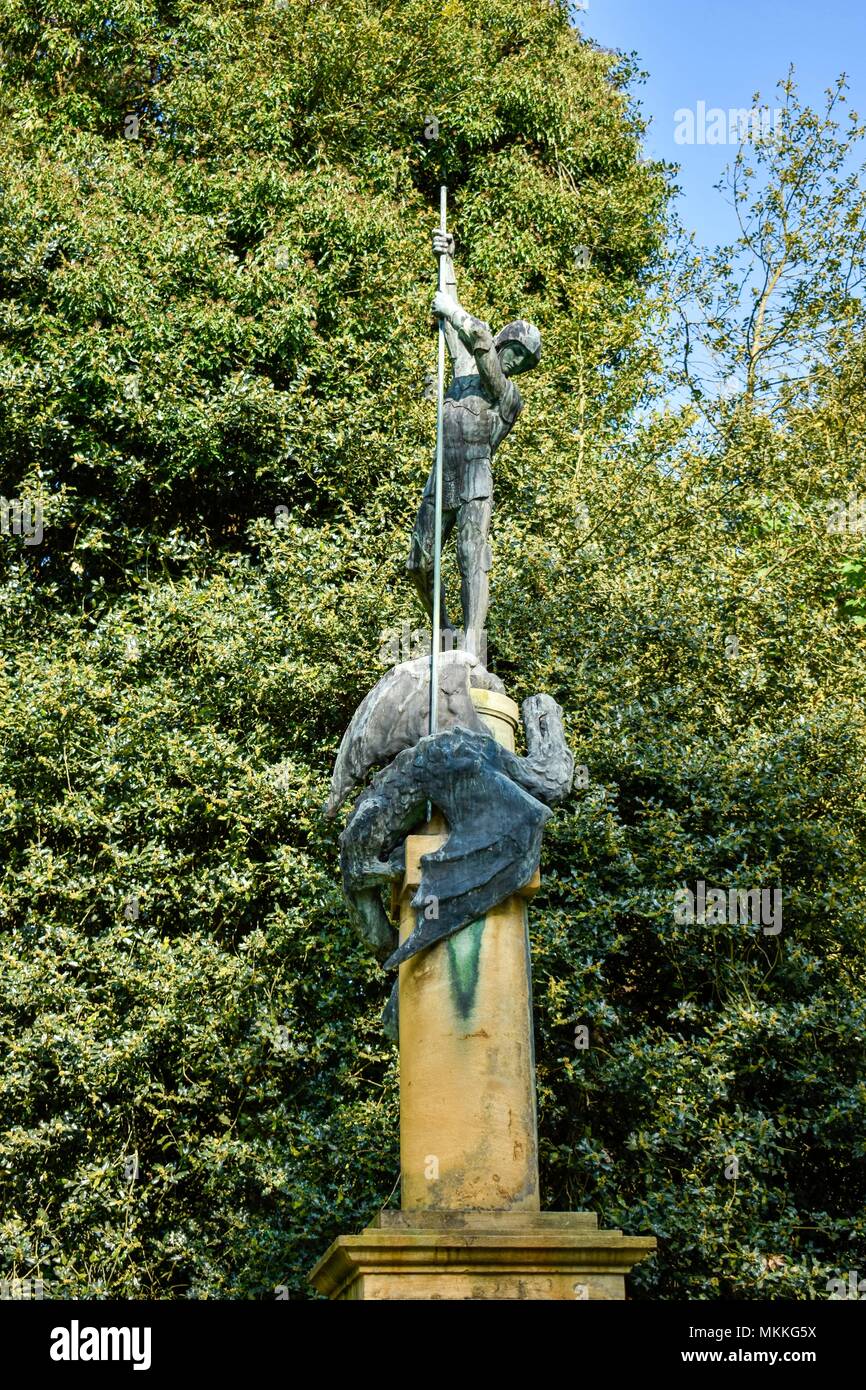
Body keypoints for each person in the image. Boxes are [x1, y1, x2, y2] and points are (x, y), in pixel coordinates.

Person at [407, 229, 541, 659]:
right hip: (441, 473)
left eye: (523, 362)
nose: (515, 363)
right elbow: (449, 314)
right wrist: (446, 257)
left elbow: (475, 334)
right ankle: (445, 637)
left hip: (475, 481)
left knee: (470, 559)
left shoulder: (507, 396)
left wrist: (456, 311)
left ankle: (471, 646)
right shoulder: (463, 364)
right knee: (419, 563)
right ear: (507, 341)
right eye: (515, 351)